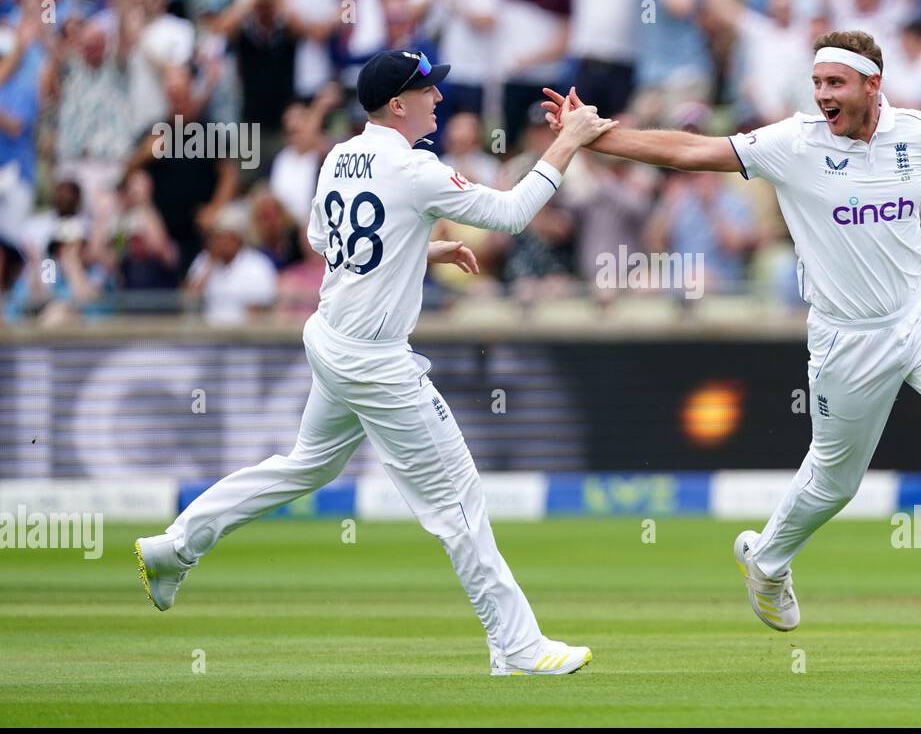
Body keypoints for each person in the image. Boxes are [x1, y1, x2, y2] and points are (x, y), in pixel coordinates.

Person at [543, 29, 921, 643]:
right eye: (816, 84)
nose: (822, 96)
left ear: (872, 85)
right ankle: (767, 562)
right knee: (836, 481)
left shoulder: (913, 132)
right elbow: (689, 151)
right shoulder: (793, 142)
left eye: (834, 84)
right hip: (846, 338)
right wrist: (599, 134)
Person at [135, 49, 616, 677]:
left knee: (304, 466)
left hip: (333, 338)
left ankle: (176, 546)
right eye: (428, 92)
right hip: (374, 360)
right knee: (459, 504)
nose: (439, 100)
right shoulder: (412, 168)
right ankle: (518, 648)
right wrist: (571, 140)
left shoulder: (340, 156)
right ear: (398, 103)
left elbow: (325, 242)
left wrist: (418, 243)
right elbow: (510, 214)